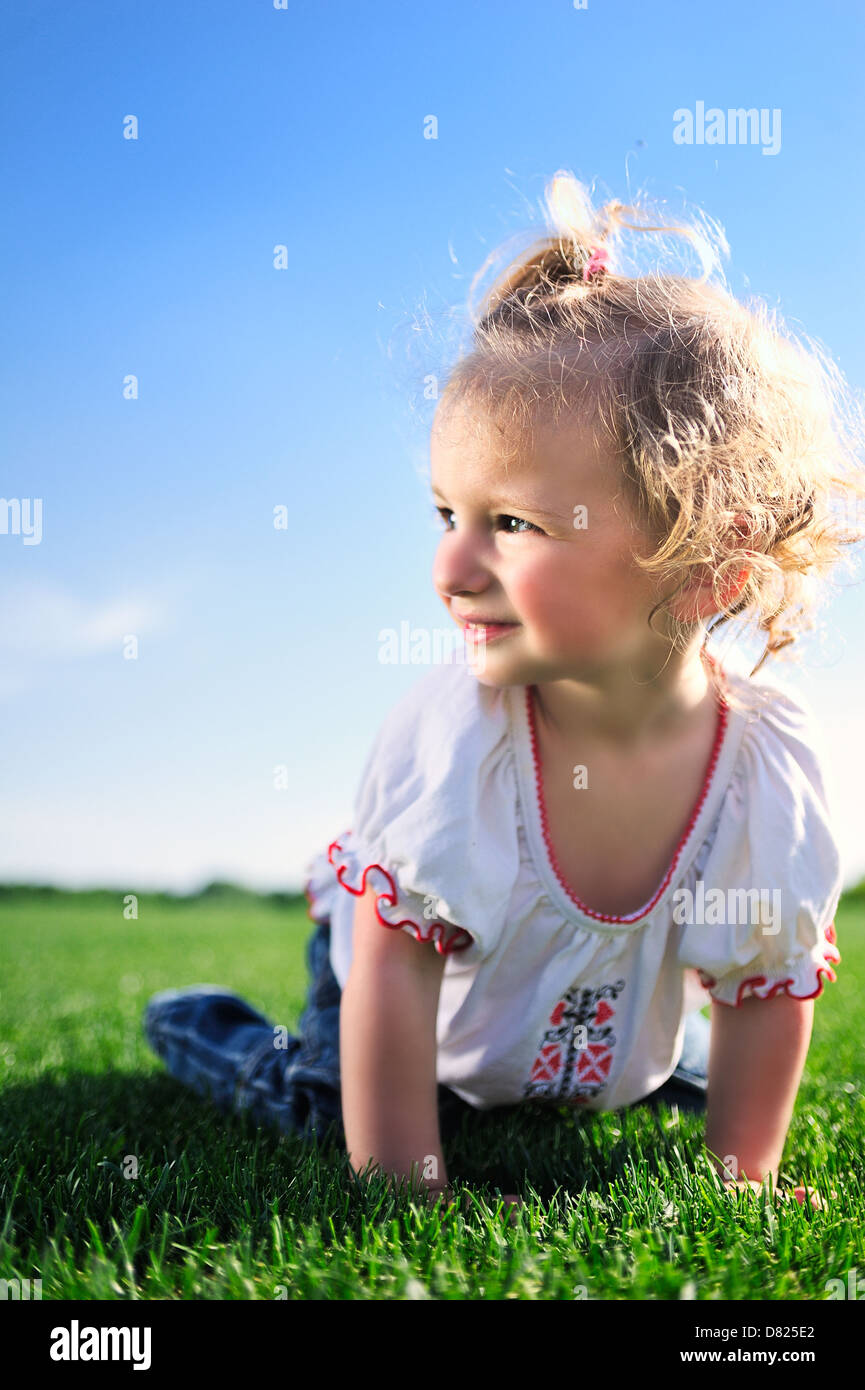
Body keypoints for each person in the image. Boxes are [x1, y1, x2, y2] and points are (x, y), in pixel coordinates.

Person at [145, 172, 864, 1217]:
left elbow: (761, 990)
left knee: (673, 1080)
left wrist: (740, 1182)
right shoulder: (461, 740)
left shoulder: (765, 768)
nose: (448, 567)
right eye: (447, 514)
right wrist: (410, 1185)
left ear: (710, 561)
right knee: (323, 1105)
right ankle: (206, 1026)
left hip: (597, 1035)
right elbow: (391, 968)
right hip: (410, 1020)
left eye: (513, 524)